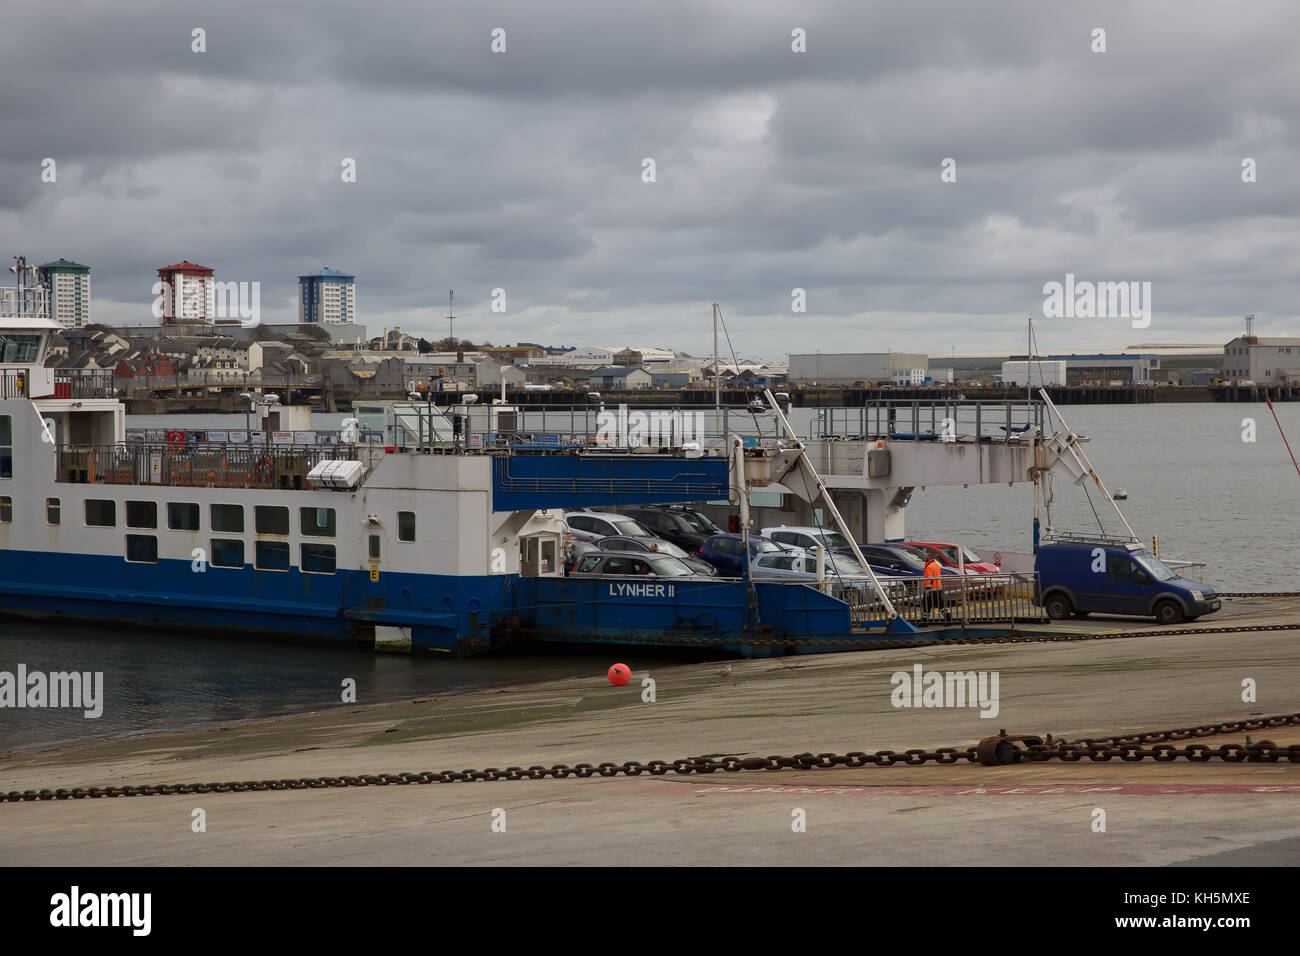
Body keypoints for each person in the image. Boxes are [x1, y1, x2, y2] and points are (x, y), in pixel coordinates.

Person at [923, 550, 946, 621]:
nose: (926, 557)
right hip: (938, 589)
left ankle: (924, 621)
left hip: (931, 590)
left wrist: (927, 590)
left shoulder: (929, 567)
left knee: (927, 606)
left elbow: (930, 579)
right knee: (941, 606)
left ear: (929, 557)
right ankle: (948, 618)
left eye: (926, 555)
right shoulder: (936, 565)